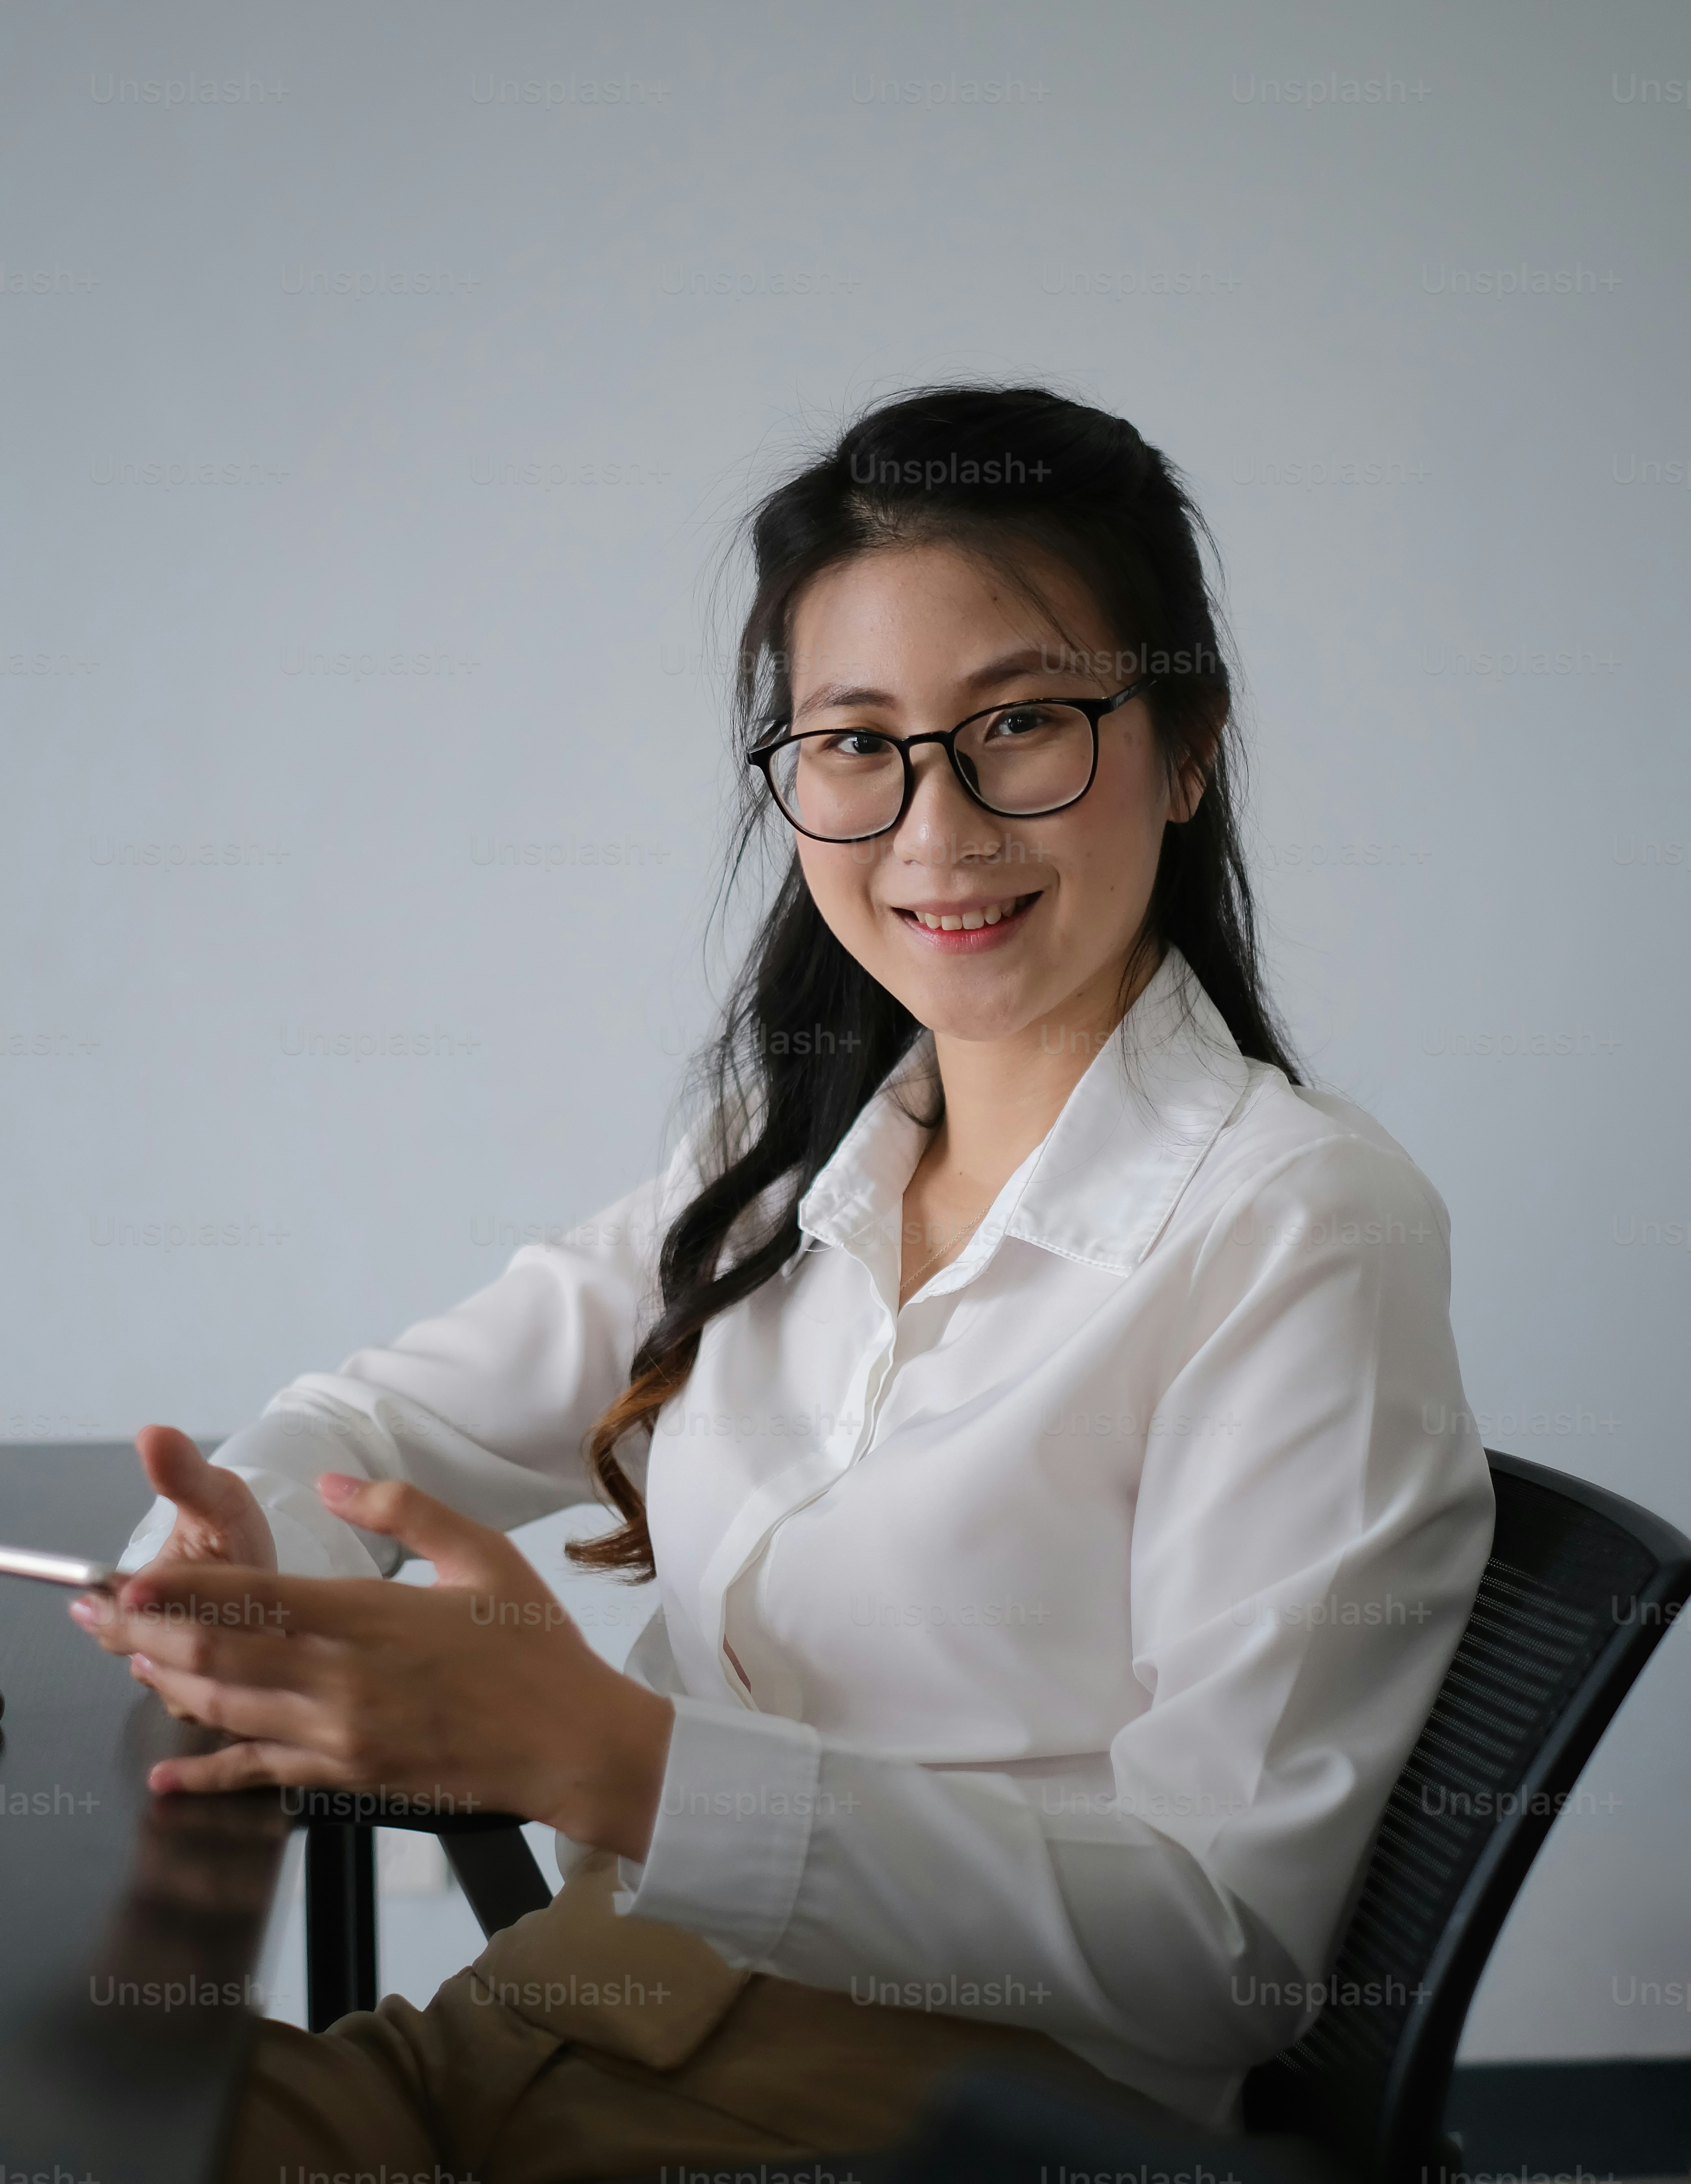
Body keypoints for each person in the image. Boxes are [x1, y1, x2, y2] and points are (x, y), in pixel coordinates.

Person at [77, 384, 1493, 2181]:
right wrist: (235, 1561)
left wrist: (618, 1765)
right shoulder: (793, 1157)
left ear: (1185, 744)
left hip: (939, 2124)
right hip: (571, 2019)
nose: (936, 829)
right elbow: (370, 1421)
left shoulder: (1297, 1227)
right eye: (852, 743)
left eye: (1024, 724)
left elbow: (1224, 1949)